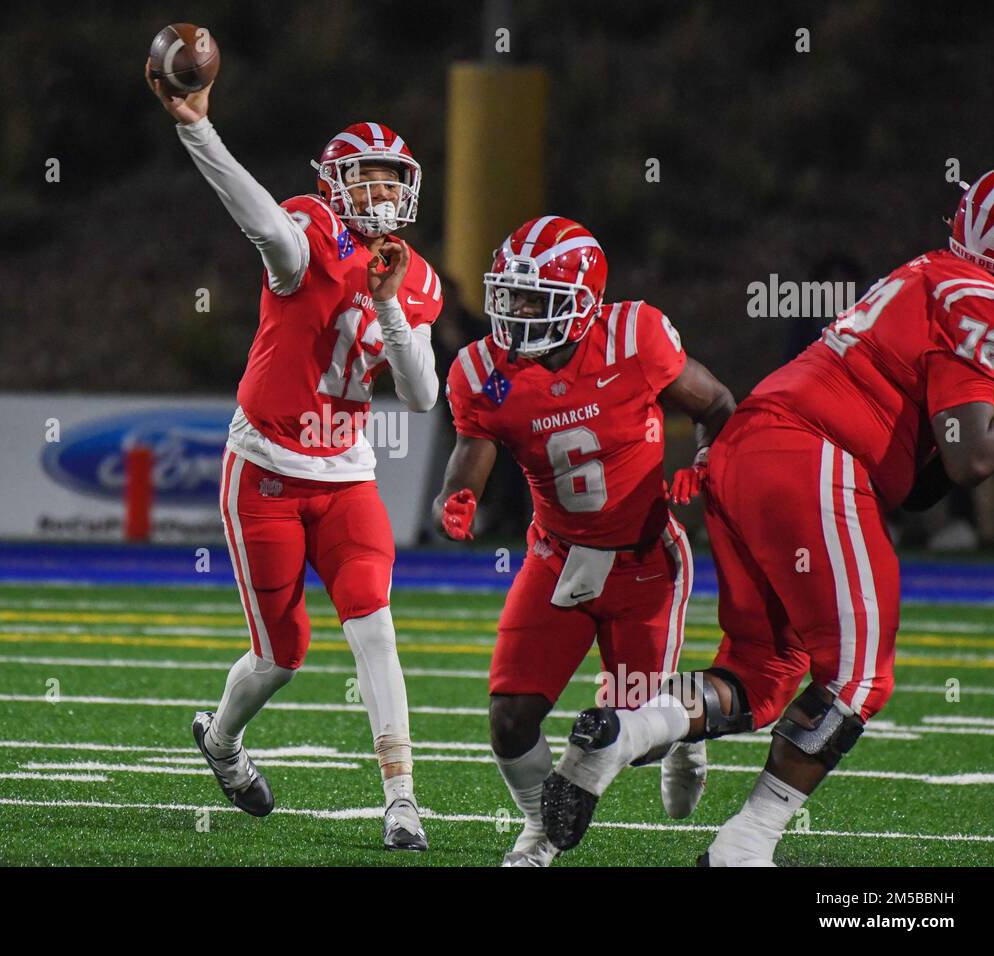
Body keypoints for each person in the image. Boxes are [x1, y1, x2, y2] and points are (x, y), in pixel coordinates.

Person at [541, 168, 994, 866]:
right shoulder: (978, 295)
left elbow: (925, 481)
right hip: (811, 454)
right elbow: (972, 455)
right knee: (858, 677)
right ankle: (746, 842)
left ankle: (623, 735)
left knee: (762, 672)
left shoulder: (935, 276)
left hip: (753, 450)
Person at [147, 64, 442, 848]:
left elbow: (419, 396)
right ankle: (222, 742)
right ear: (335, 186)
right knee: (283, 655)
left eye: (390, 183)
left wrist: (385, 301)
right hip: (267, 471)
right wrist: (195, 126)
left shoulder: (416, 280)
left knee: (373, 624)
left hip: (345, 472)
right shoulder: (306, 232)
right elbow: (262, 223)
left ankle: (403, 798)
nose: (380, 197)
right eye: (365, 182)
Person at [433, 216, 735, 865]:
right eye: (510, 296)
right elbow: (472, 447)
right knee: (510, 720)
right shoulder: (485, 371)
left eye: (533, 298)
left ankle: (685, 727)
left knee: (636, 738)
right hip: (557, 558)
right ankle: (540, 834)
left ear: (582, 303)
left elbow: (717, 406)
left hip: (645, 561)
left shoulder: (635, 337)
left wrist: (708, 465)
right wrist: (456, 493)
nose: (515, 313)